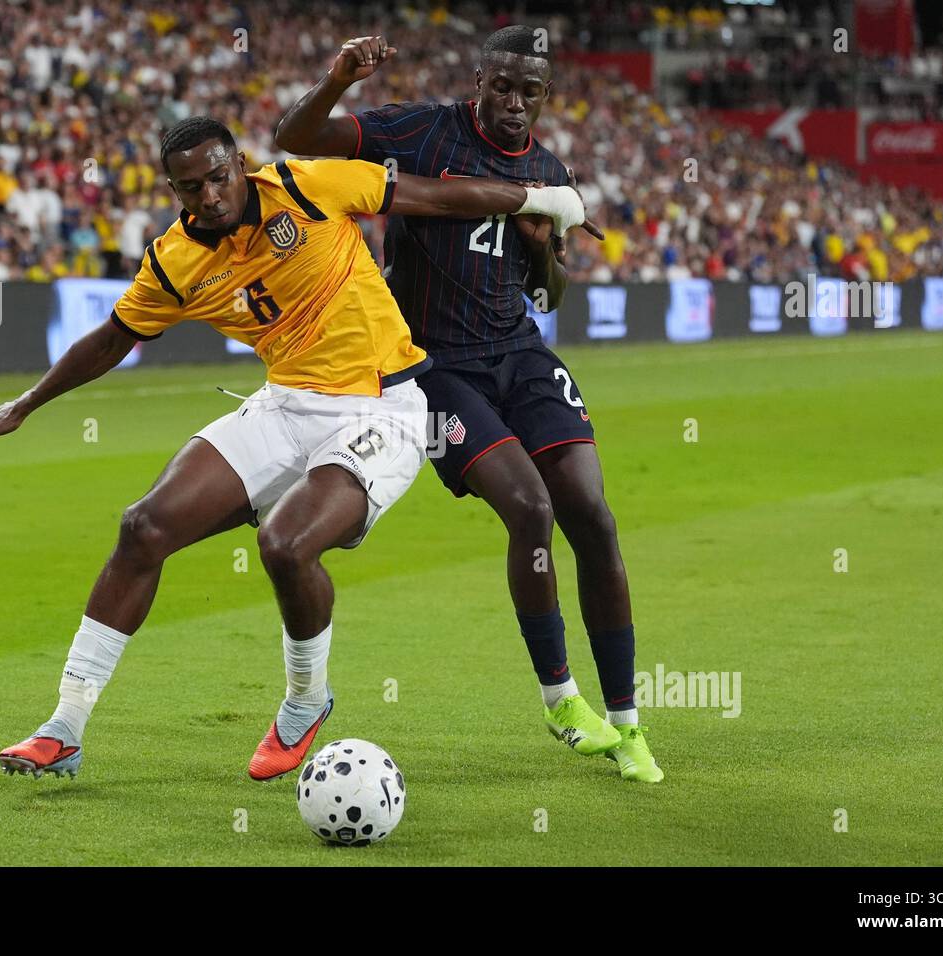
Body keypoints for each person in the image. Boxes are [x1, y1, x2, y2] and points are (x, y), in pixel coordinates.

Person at [0, 116, 593, 781]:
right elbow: (113, 339)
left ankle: (305, 700)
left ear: (240, 163)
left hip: (384, 406)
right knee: (143, 528)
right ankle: (65, 726)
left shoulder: (307, 186)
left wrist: (539, 199)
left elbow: (434, 196)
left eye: (218, 177)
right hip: (286, 404)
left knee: (286, 545)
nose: (209, 196)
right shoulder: (175, 260)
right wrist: (24, 405)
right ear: (173, 190)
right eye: (190, 187)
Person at [275, 25, 663, 781]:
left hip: (520, 356)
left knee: (594, 515)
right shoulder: (421, 131)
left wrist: (545, 244)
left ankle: (628, 722)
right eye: (504, 85)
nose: (516, 103)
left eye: (531, 91)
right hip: (439, 370)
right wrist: (338, 81)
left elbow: (548, 294)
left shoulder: (550, 170)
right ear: (479, 79)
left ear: (546, 97)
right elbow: (294, 138)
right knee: (531, 510)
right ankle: (561, 702)